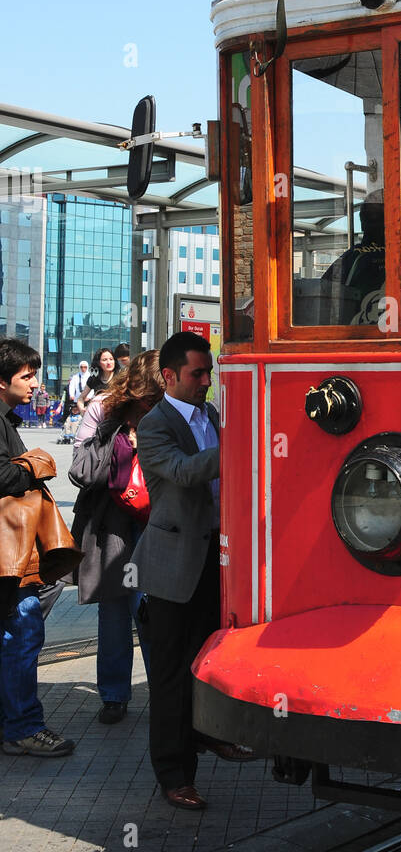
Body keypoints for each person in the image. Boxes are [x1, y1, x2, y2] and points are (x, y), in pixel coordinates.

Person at [135, 332, 253, 811]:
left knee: (208, 666)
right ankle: (174, 774)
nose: (207, 381)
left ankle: (207, 735)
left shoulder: (212, 416)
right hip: (171, 569)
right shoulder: (154, 425)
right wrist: (246, 442)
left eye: (209, 373)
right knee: (169, 677)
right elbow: (183, 472)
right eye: (197, 374)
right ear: (169, 376)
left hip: (215, 563)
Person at [70, 351, 162, 724]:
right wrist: (120, 435)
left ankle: (166, 691)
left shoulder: (175, 412)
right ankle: (113, 695)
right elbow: (80, 467)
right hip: (112, 521)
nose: (155, 402)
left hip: (156, 521)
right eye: (151, 396)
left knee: (153, 611)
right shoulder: (105, 411)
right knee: (113, 608)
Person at [0, 338, 74, 757]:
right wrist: (32, 466)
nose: (34, 383)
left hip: (12, 553)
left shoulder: (7, 419)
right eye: (26, 376)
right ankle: (24, 727)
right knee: (23, 636)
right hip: (9, 558)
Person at [78, 348, 116, 413]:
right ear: (98, 363)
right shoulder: (94, 378)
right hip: (99, 415)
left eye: (111, 359)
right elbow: (81, 398)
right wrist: (82, 409)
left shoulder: (121, 376)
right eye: (104, 360)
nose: (109, 362)